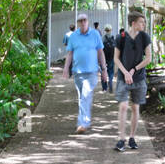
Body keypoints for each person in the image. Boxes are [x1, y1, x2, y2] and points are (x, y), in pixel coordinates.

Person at [113, 12, 152, 152]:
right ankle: (121, 139)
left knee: (135, 108)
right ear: (133, 23)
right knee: (123, 106)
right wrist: (125, 72)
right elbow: (116, 59)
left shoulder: (145, 37)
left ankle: (132, 138)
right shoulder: (121, 37)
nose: (144, 24)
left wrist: (134, 70)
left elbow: (148, 58)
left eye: (144, 22)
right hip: (124, 78)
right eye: (141, 22)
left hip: (139, 78)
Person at [62, 12, 106, 133]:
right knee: (82, 97)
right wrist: (66, 68)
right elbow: (70, 53)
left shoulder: (95, 34)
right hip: (78, 72)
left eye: (84, 20)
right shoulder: (73, 36)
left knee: (86, 94)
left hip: (92, 72)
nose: (82, 22)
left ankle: (83, 123)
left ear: (88, 21)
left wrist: (104, 70)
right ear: (77, 23)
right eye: (80, 20)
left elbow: (100, 53)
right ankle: (84, 121)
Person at [101, 26, 115, 91]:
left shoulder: (103, 38)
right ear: (111, 30)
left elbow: (100, 49)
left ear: (105, 30)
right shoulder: (113, 38)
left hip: (104, 58)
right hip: (111, 58)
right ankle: (110, 81)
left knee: (103, 71)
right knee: (111, 71)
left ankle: (104, 87)